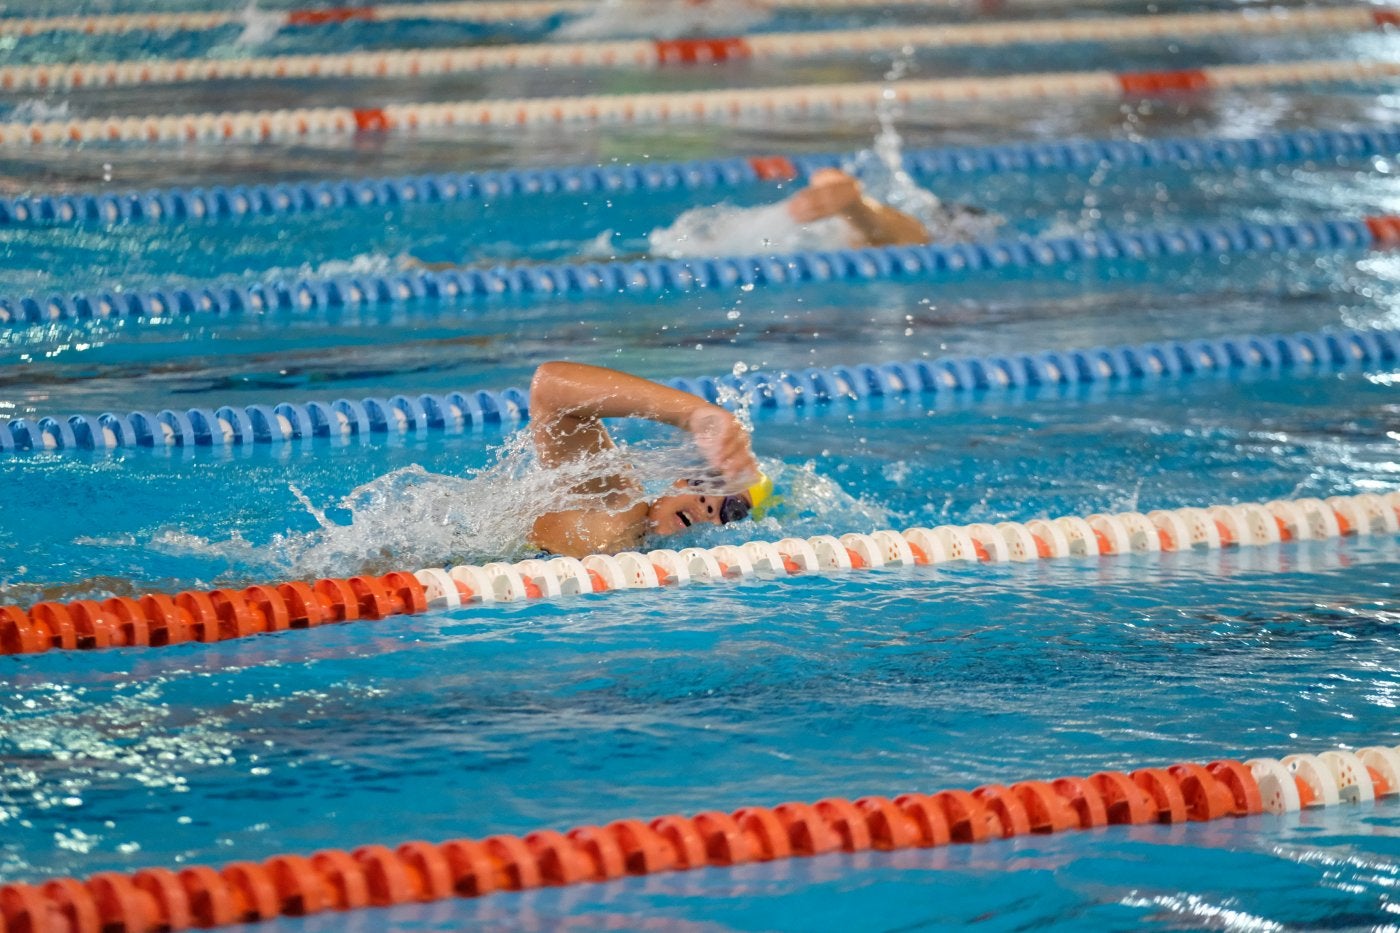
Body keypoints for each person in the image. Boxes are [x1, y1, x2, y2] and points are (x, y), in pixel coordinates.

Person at [527, 360, 773, 558]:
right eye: (708, 480)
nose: (710, 502)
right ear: (678, 480)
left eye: (734, 510)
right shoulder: (619, 509)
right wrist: (692, 413)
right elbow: (549, 389)